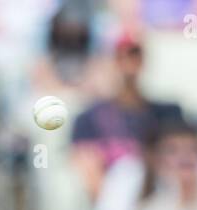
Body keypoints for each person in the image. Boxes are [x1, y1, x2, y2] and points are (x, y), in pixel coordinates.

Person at [70, 30, 183, 200]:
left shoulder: (168, 114)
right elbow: (92, 179)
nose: (129, 64)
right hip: (112, 208)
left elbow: (178, 167)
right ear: (111, 62)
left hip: (159, 205)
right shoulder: (89, 119)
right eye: (121, 57)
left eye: (134, 55)